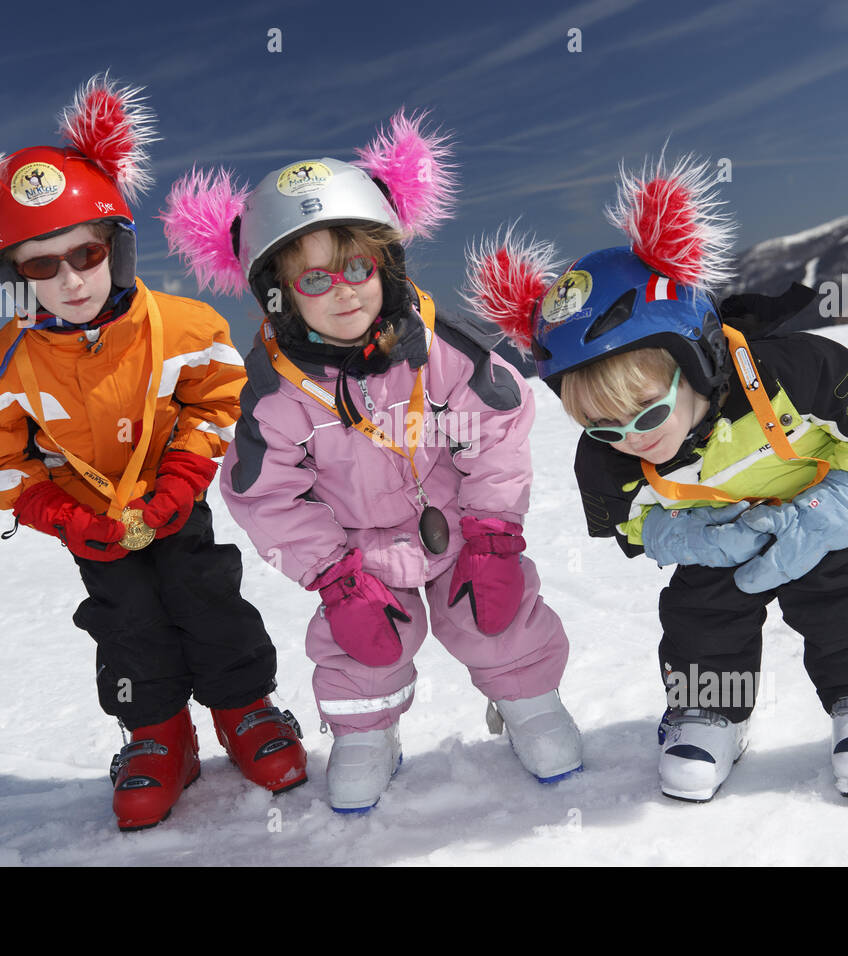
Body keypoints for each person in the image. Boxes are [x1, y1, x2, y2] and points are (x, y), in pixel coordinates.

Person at [0, 74, 306, 831]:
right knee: (124, 619)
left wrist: (185, 474)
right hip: (93, 520)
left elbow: (216, 401)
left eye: (84, 253)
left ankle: (245, 708)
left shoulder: (182, 327)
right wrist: (53, 510)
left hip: (170, 503)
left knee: (207, 593)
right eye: (39, 266)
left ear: (116, 247)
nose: (69, 279)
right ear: (12, 278)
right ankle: (156, 734)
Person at [464, 154, 848, 802]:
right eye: (604, 426)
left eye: (648, 411)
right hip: (720, 537)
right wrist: (691, 539)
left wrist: (836, 505)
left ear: (699, 360)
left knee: (847, 588)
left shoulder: (799, 372)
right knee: (699, 607)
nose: (632, 436)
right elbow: (622, 522)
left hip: (810, 518)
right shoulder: (611, 453)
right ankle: (710, 713)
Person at [161, 111, 582, 812]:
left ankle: (528, 700)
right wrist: (333, 573)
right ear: (281, 298)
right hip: (360, 552)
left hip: (460, 527)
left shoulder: (441, 346)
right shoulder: (276, 389)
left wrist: (493, 529)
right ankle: (367, 733)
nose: (346, 289)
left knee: (496, 614)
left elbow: (497, 426)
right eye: (315, 280)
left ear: (386, 265)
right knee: (361, 645)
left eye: (358, 267)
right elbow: (263, 494)